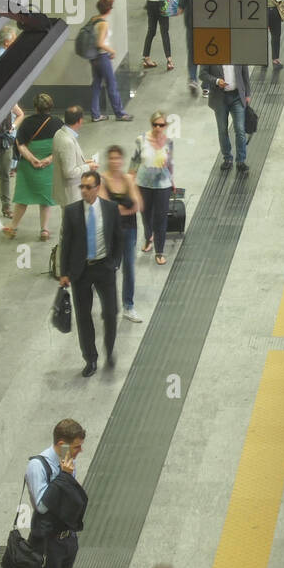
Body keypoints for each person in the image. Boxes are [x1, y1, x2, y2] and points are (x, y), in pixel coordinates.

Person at [59, 171, 123, 375]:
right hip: (81, 270)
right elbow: (66, 243)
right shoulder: (71, 212)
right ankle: (91, 359)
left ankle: (110, 350)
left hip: (104, 268)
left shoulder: (111, 209)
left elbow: (118, 238)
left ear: (97, 187)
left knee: (111, 313)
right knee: (83, 316)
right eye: (82, 187)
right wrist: (64, 273)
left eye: (88, 187)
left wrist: (115, 263)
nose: (84, 191)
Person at [24, 420, 89, 568]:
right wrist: (63, 476)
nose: (80, 451)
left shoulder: (68, 460)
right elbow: (42, 506)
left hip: (67, 538)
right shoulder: (38, 465)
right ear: (62, 444)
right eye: (77, 446)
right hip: (48, 543)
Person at [6, 93, 60, 241]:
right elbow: (61, 146)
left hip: (28, 167)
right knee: (45, 200)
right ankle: (44, 230)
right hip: (48, 167)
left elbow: (20, 145)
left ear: (35, 107)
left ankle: (13, 228)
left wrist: (32, 160)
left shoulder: (27, 123)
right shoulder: (57, 123)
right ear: (50, 106)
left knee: (22, 199)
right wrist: (48, 160)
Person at [100, 144, 144, 323]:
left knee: (129, 269)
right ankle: (108, 305)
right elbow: (105, 208)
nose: (115, 161)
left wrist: (118, 209)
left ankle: (128, 306)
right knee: (109, 269)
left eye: (118, 158)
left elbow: (138, 205)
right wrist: (126, 208)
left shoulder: (128, 180)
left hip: (129, 230)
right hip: (110, 232)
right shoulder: (103, 180)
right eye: (112, 158)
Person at [131, 111, 175, 266]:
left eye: (161, 125)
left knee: (161, 218)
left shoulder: (168, 141)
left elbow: (171, 162)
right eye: (155, 124)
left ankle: (159, 251)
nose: (157, 127)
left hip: (163, 184)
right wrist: (130, 180)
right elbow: (134, 161)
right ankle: (148, 236)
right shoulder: (141, 140)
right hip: (143, 183)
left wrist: (172, 179)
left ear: (165, 126)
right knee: (145, 215)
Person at [87, 0, 134, 122]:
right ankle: (120, 113)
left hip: (93, 57)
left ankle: (95, 114)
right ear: (109, 9)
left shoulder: (93, 19)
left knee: (96, 85)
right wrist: (112, 51)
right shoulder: (103, 24)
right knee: (111, 85)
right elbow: (100, 43)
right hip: (102, 57)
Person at [202, 62, 251, 173]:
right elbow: (203, 74)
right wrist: (216, 81)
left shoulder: (238, 50)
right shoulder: (211, 54)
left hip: (237, 97)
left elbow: (245, 73)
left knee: (240, 129)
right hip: (219, 98)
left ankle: (241, 160)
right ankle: (227, 158)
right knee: (222, 130)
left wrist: (247, 93)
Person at [181, 0, 215, 96]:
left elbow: (179, 10)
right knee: (207, 55)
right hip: (208, 28)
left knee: (193, 54)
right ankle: (206, 86)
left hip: (192, 28)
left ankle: (193, 79)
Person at [52, 106, 97, 207]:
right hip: (71, 195)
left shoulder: (59, 133)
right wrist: (88, 167)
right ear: (80, 121)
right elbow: (69, 172)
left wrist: (84, 162)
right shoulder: (67, 141)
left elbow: (68, 160)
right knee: (71, 222)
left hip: (66, 193)